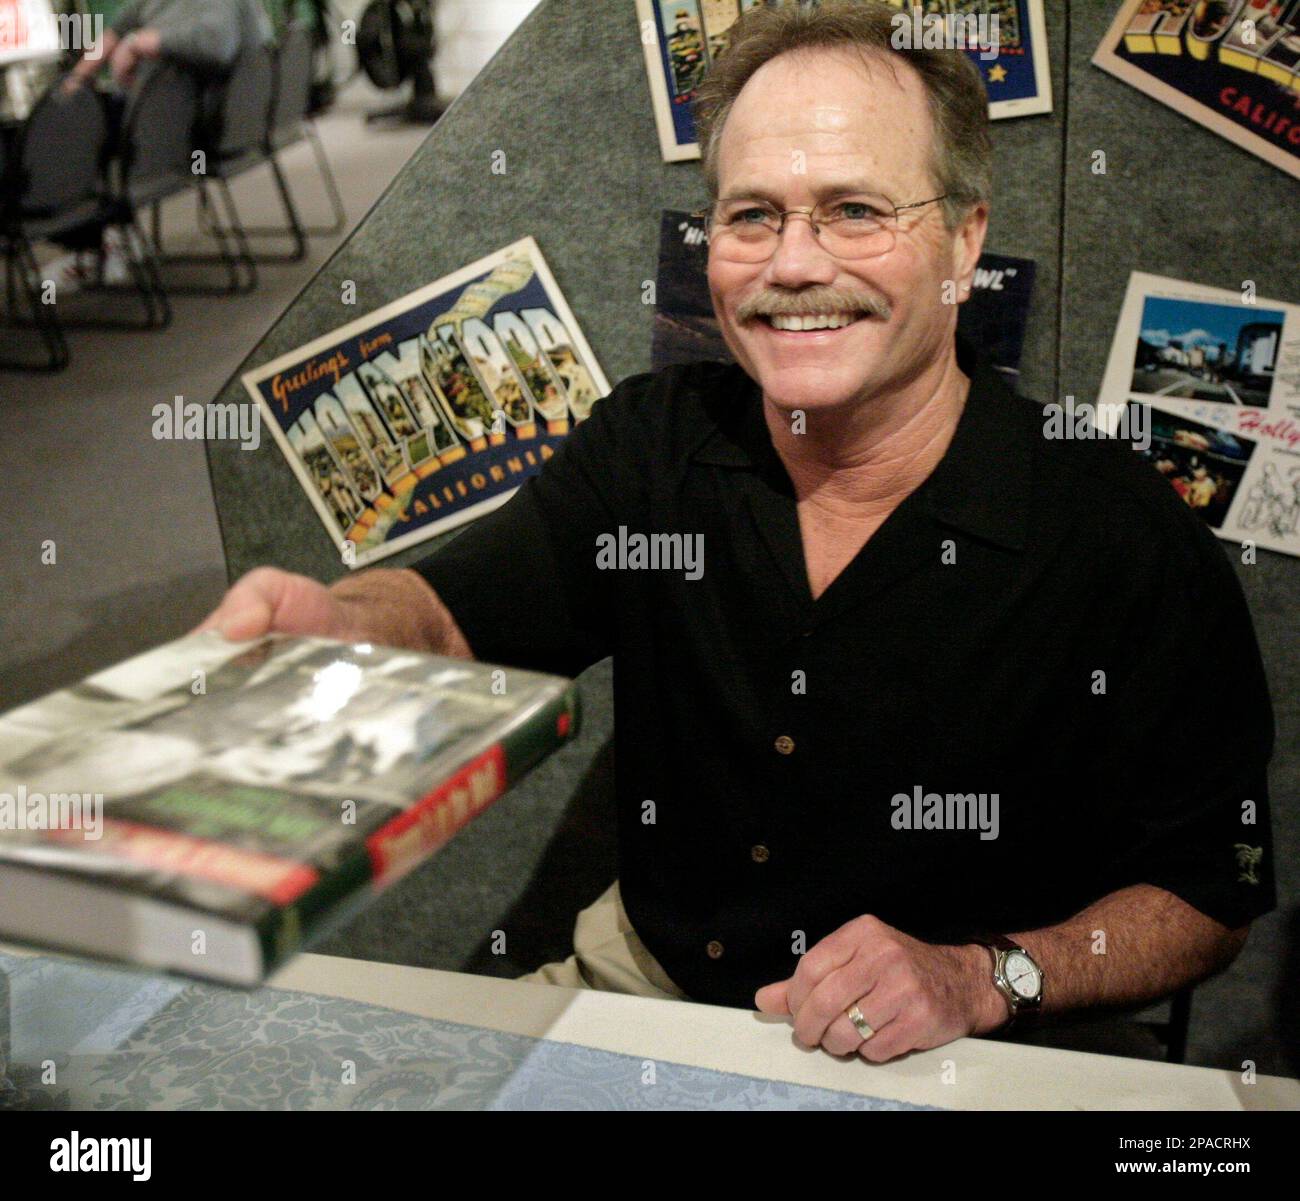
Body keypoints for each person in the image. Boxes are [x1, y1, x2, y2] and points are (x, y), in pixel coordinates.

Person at [199, 1, 1275, 1064]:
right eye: (752, 215)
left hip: (974, 1043)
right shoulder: (654, 445)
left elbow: (1207, 894)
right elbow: (446, 623)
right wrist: (335, 627)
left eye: (855, 211)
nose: (793, 265)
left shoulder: (1114, 528)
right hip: (651, 989)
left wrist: (985, 975)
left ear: (963, 239)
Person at [52, 0, 274, 288]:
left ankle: (101, 246)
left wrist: (137, 44)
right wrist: (76, 79)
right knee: (75, 117)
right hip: (164, 125)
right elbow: (114, 33)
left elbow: (216, 45)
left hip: (198, 133)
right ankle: (111, 237)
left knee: (78, 139)